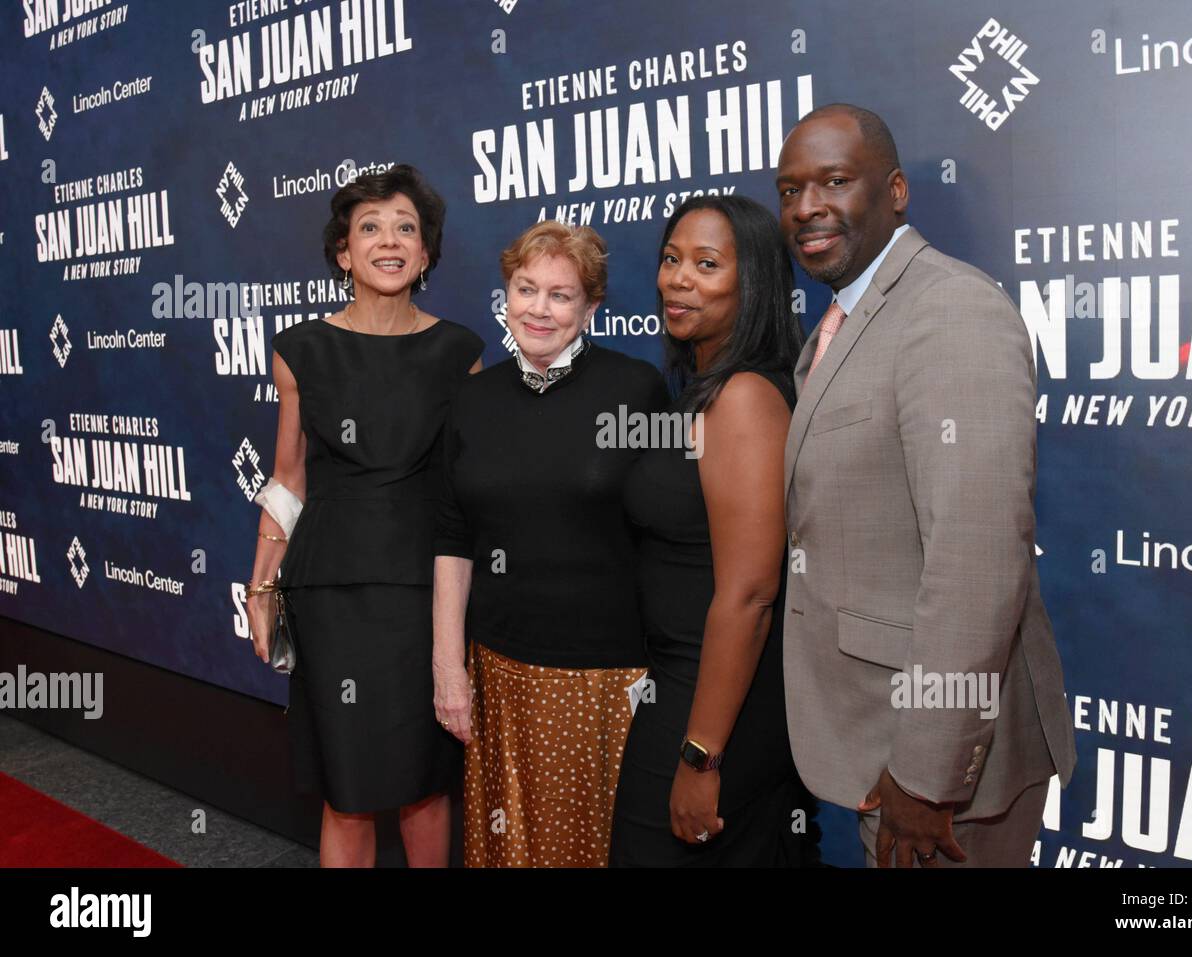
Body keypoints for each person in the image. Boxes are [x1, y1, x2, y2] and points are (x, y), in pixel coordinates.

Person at [775, 104, 1077, 868]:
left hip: (941, 777)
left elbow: (976, 562)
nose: (806, 206)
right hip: (874, 739)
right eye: (789, 189)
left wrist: (929, 773)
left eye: (834, 181)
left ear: (897, 190)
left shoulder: (949, 310)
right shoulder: (842, 324)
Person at [246, 164, 483, 867]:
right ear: (343, 252)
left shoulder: (460, 354)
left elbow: (459, 489)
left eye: (406, 228)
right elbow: (288, 478)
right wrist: (261, 585)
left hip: (423, 593)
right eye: (370, 227)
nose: (389, 240)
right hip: (331, 591)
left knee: (424, 785)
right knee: (346, 791)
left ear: (426, 253)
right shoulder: (300, 351)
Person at [432, 220, 668, 867]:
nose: (538, 308)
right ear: (505, 292)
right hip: (498, 668)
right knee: (509, 846)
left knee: (588, 850)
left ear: (591, 307)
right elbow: (453, 537)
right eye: (525, 288)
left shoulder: (635, 389)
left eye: (560, 295)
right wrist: (448, 666)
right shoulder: (473, 399)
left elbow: (666, 536)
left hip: (601, 673)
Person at [609, 195, 818, 867]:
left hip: (714, 702)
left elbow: (752, 594)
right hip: (691, 685)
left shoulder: (745, 399)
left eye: (706, 264)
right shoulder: (706, 386)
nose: (678, 278)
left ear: (752, 282)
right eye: (671, 259)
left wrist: (701, 756)